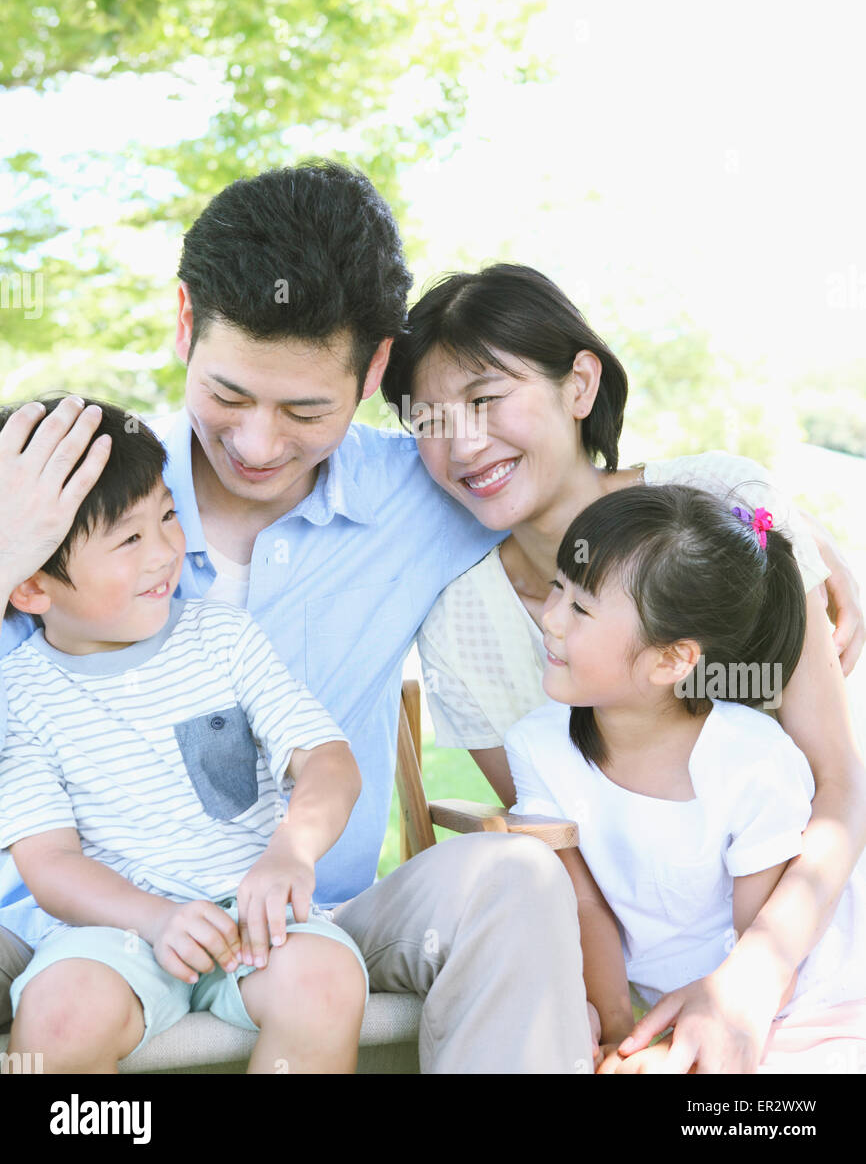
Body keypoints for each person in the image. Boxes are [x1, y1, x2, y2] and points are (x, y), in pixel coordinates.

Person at [0, 163, 594, 1074]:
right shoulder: (77, 491)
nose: (257, 445)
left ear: (376, 370)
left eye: (306, 409)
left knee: (515, 882)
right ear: (186, 323)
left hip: (309, 915)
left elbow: (594, 502)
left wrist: (767, 521)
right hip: (49, 921)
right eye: (229, 396)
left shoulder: (426, 490)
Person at [380, 261, 866, 1072]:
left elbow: (839, 785)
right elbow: (573, 856)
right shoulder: (460, 618)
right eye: (427, 418)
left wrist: (749, 980)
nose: (461, 443)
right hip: (639, 992)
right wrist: (618, 1024)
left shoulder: (716, 505)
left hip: (811, 958)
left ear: (579, 385)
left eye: (487, 399)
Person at [0, 399, 369, 1073]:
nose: (167, 552)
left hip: (252, 909)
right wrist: (155, 919)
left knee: (322, 981)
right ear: (30, 586)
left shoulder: (221, 637)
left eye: (167, 517)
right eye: (128, 539)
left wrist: (291, 852)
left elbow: (330, 764)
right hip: (111, 932)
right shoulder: (19, 694)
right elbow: (49, 864)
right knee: (60, 1015)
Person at [504, 484, 866, 1074]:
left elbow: (760, 949)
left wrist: (684, 1048)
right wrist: (622, 1036)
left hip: (803, 1008)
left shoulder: (750, 760)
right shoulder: (537, 746)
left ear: (672, 661)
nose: (550, 618)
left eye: (581, 608)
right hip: (664, 1007)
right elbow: (584, 903)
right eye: (556, 589)